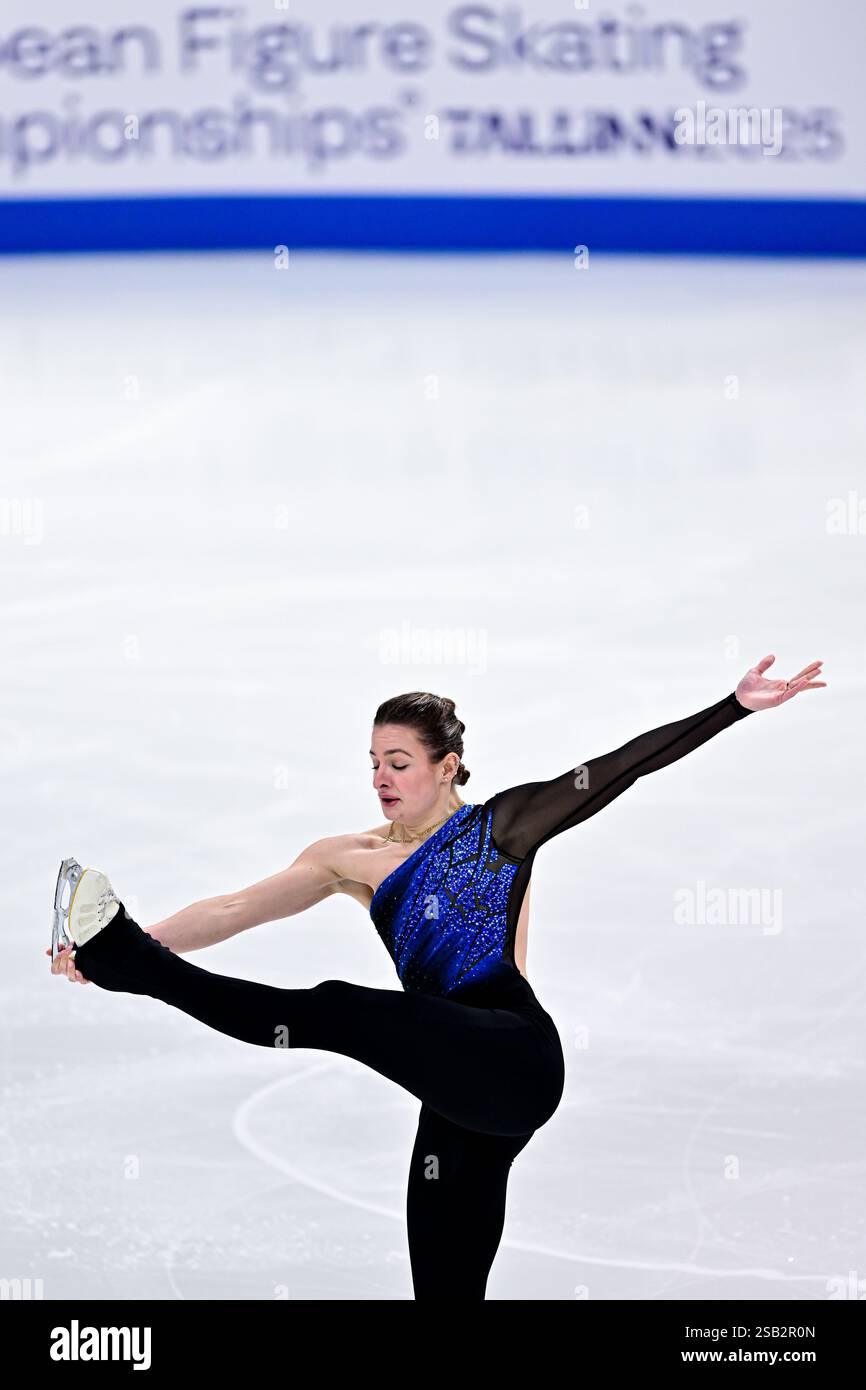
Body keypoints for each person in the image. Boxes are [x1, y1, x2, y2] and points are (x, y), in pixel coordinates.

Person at [48, 654, 824, 1299]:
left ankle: (130, 963)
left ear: (446, 765)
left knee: (337, 1009)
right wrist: (110, 945)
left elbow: (618, 770)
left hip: (513, 1052)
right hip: (457, 1094)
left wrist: (734, 706)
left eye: (400, 762)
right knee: (445, 1292)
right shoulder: (346, 858)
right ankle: (124, 955)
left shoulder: (504, 827)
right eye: (374, 764)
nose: (382, 778)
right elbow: (233, 909)